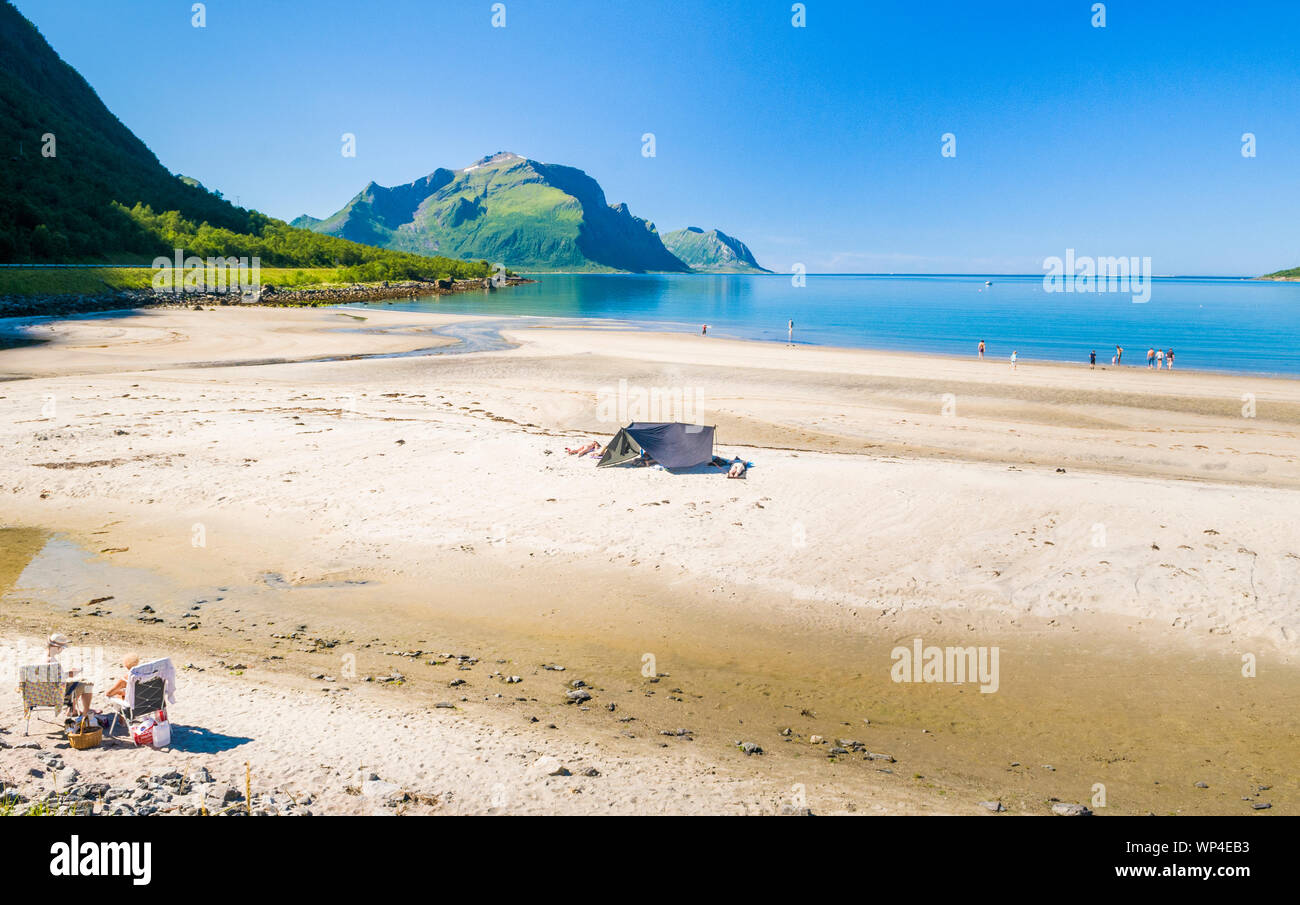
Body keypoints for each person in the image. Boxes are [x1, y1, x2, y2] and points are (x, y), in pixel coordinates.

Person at [45, 633, 92, 718]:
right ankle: (85, 712)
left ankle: (73, 710)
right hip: (56, 696)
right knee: (88, 685)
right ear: (57, 647)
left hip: (43, 695)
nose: (62, 650)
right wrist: (73, 673)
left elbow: (55, 677)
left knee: (76, 684)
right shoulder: (52, 661)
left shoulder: (43, 658)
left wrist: (68, 674)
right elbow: (61, 679)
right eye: (62, 648)